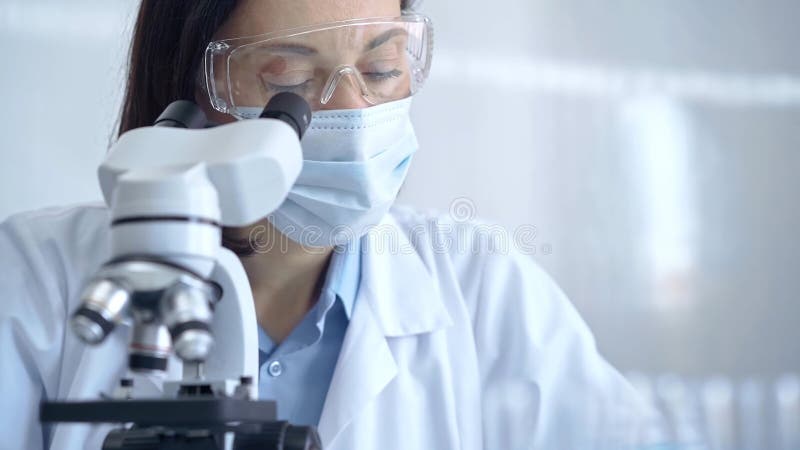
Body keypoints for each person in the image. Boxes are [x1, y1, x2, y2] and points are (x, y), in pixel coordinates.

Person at [0, 1, 654, 449]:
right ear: (192, 94)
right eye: (289, 83)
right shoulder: (30, 281)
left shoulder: (485, 287)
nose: (352, 110)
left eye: (381, 69)